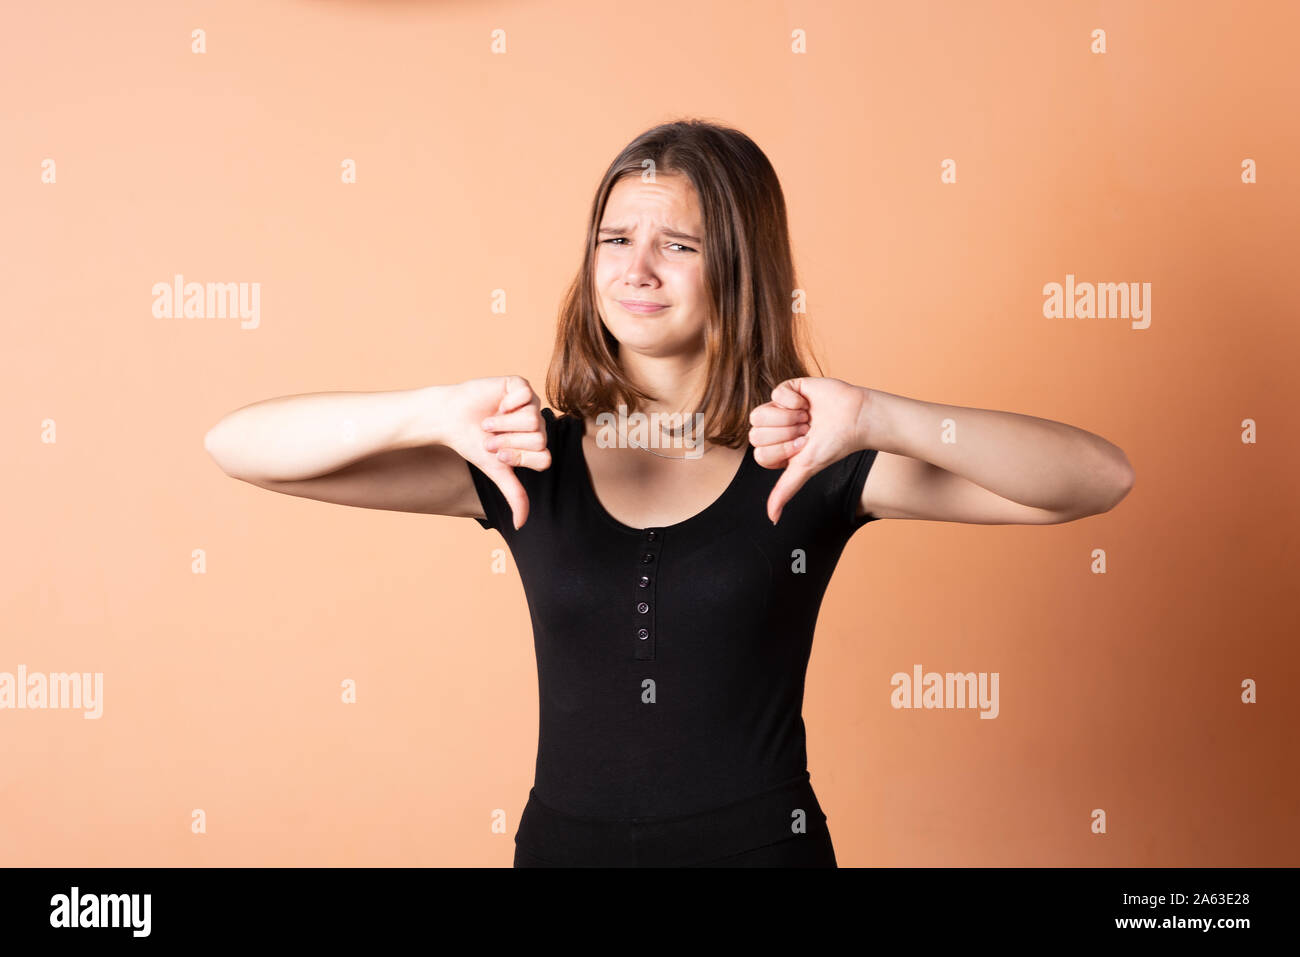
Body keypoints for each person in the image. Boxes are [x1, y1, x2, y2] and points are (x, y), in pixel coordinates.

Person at [204, 119, 1135, 867]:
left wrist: (882, 416)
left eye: (677, 243)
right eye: (615, 238)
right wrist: (432, 409)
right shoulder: (523, 460)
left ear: (737, 264)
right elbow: (241, 446)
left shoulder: (813, 461)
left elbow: (1095, 478)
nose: (635, 269)